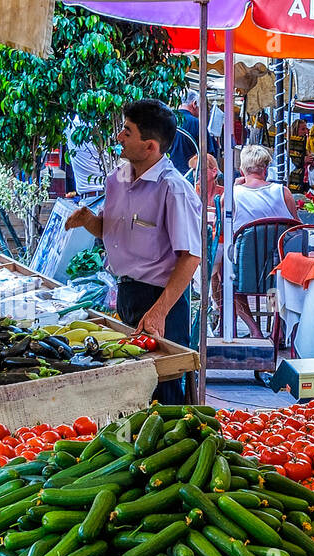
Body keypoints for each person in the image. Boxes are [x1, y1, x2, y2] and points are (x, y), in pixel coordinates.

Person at [64, 100, 202, 404]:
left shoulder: (173, 189)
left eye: (127, 132)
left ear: (150, 146)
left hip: (161, 299)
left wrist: (160, 311)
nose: (118, 137)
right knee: (129, 389)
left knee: (162, 394)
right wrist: (88, 221)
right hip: (126, 295)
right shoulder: (117, 179)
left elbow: (190, 257)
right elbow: (110, 232)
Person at [212, 144, 296, 339]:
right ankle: (278, 326)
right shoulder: (283, 192)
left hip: (245, 270)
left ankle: (254, 329)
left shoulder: (232, 195)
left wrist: (234, 186)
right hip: (278, 271)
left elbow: (222, 228)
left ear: (242, 169)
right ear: (265, 169)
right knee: (274, 288)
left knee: (226, 279)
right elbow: (296, 229)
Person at [167, 91, 199, 177]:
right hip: (190, 177)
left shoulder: (165, 120)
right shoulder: (197, 124)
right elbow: (208, 154)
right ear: (194, 103)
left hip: (167, 173)